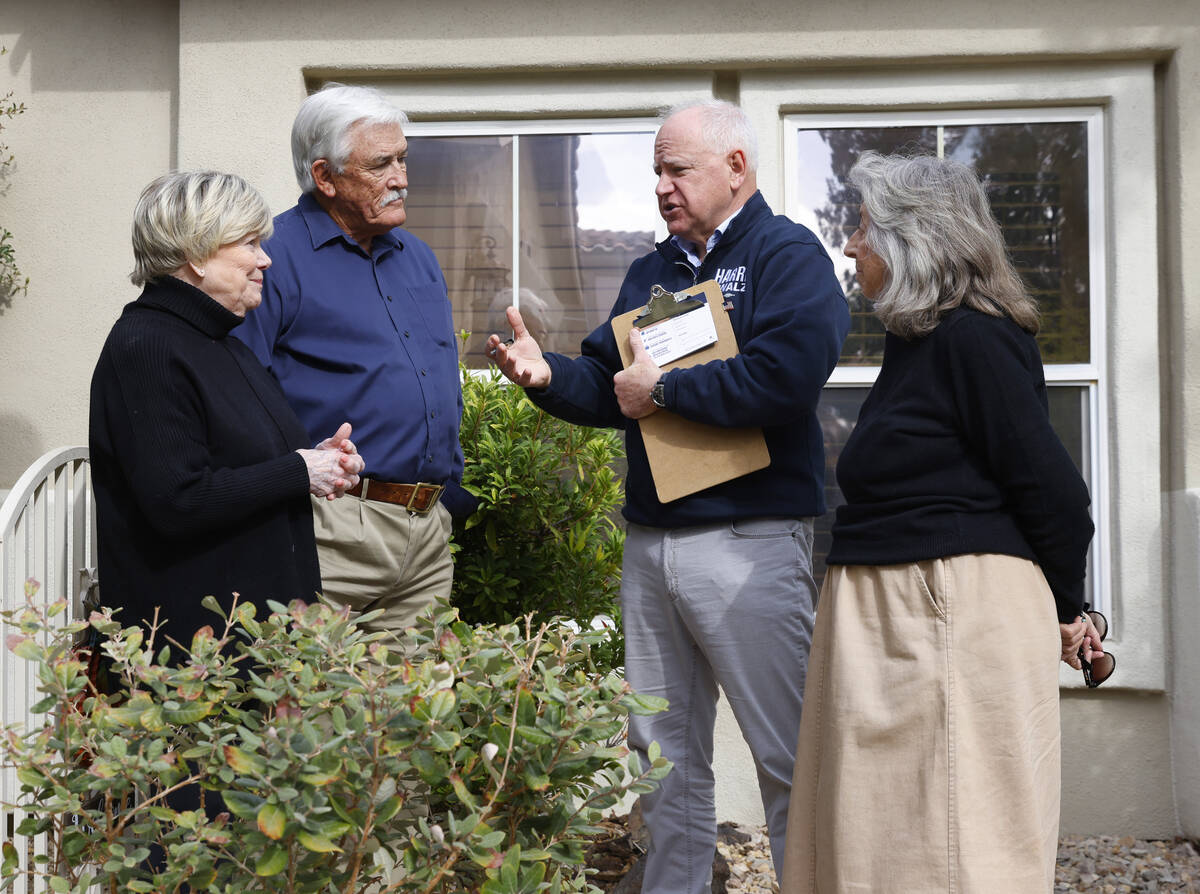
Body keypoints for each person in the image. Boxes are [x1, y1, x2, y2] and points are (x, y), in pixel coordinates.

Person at [488, 99, 849, 894]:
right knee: (662, 760)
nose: (661, 186)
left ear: (735, 169)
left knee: (786, 755)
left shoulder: (788, 257)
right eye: (656, 170)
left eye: (676, 168)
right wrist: (547, 376)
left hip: (749, 542)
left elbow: (787, 377)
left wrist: (668, 391)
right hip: (652, 546)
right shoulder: (654, 270)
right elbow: (610, 383)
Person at [779, 151, 1102, 894]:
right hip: (898, 614)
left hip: (942, 611)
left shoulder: (973, 337)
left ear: (909, 238)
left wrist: (1068, 605)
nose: (851, 243)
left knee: (949, 839)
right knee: (881, 835)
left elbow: (1051, 488)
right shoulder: (920, 340)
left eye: (862, 226)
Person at [235, 83, 471, 637]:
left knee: (415, 716)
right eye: (381, 164)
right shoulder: (271, 257)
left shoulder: (417, 257)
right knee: (316, 711)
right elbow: (241, 397)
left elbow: (437, 379)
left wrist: (448, 501)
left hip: (426, 530)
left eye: (403, 159)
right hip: (330, 527)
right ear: (325, 176)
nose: (402, 178)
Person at [90, 170, 364, 644]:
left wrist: (323, 462)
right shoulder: (147, 346)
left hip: (257, 639)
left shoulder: (221, 342)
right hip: (198, 661)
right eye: (250, 243)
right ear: (197, 253)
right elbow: (178, 500)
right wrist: (299, 472)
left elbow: (243, 464)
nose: (266, 259)